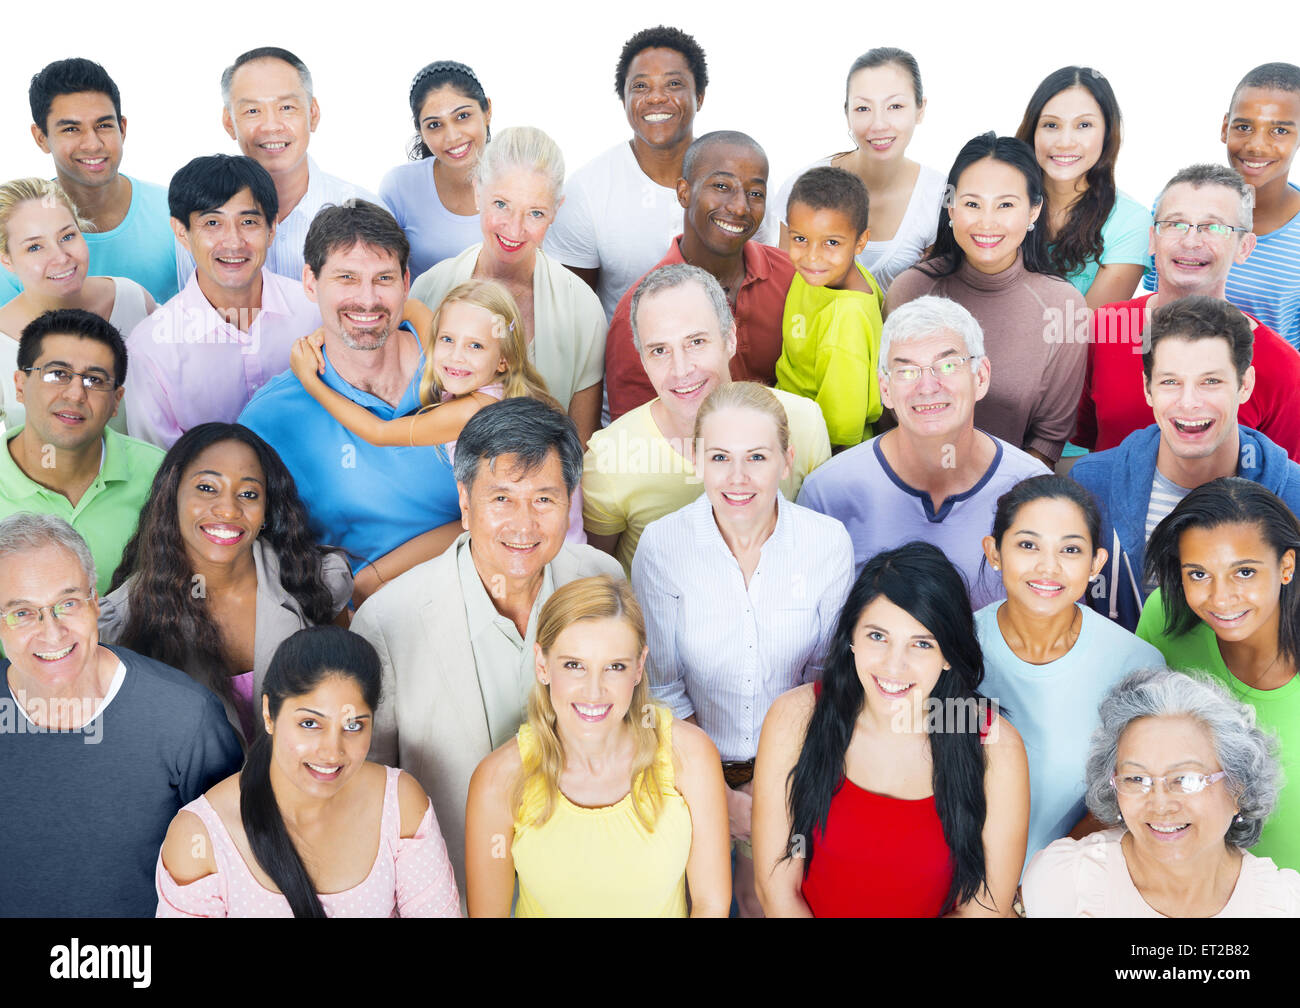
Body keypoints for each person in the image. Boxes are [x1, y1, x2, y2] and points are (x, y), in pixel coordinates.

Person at [354, 397, 623, 895]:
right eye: (501, 499)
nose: (523, 525)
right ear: (464, 501)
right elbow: (371, 793)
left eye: (544, 499)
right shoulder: (388, 623)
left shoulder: (602, 579)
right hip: (453, 888)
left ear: (571, 500)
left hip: (591, 885)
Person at [632, 382, 853, 915]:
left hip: (799, 771)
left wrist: (772, 790)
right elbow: (659, 687)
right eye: (719, 457)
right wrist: (718, 796)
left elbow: (827, 679)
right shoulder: (664, 547)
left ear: (787, 459)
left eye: (756, 457)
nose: (738, 477)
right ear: (695, 460)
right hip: (686, 770)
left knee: (774, 902)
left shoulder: (826, 543)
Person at [751, 542, 1029, 917]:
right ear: (851, 638)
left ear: (949, 654)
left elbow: (986, 909)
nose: (894, 666)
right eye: (877, 636)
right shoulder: (795, 717)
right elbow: (776, 890)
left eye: (921, 643)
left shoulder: (994, 745)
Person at [0, 514, 241, 917]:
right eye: (22, 612)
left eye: (67, 603)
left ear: (96, 602)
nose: (52, 632)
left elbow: (236, 866)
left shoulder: (185, 718)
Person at [291, 278, 584, 601]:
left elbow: (380, 433)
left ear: (503, 360)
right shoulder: (460, 365)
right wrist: (332, 335)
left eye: (476, 346)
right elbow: (413, 306)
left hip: (539, 541)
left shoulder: (477, 407)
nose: (456, 357)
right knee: (369, 585)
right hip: (493, 513)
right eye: (447, 339)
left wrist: (310, 379)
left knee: (365, 584)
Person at [465, 575, 731, 916]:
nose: (594, 691)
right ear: (543, 665)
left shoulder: (689, 755)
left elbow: (711, 904)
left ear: (638, 667)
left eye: (614, 667)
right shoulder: (498, 779)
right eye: (574, 665)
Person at [156, 625, 459, 917]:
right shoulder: (199, 838)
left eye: (353, 726)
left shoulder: (400, 804)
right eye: (310, 724)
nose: (332, 752)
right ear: (269, 713)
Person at [238, 199, 462, 576]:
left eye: (384, 278)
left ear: (407, 283)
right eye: (347, 278)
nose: (368, 299)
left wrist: (369, 582)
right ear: (310, 282)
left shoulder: (461, 370)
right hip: (367, 624)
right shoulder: (269, 419)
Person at [99, 423, 352, 745]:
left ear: (266, 510)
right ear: (171, 496)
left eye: (248, 494)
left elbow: (351, 701)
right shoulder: (119, 622)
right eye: (207, 488)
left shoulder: (318, 580)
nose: (229, 510)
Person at [798, 297, 1049, 609]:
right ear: (885, 389)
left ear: (980, 377)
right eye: (906, 371)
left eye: (947, 365)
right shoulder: (828, 492)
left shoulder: (1036, 489)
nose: (927, 386)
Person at [1070, 296, 1300, 631]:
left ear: (1244, 385)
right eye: (1170, 382)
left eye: (1211, 381)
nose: (1189, 403)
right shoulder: (1091, 484)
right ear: (1148, 389)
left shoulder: (1293, 496)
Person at [583, 265, 829, 575]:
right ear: (642, 360)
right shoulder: (609, 458)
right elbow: (596, 579)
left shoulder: (803, 422)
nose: (682, 369)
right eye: (659, 350)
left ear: (730, 339)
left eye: (696, 342)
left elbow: (819, 545)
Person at [976, 475, 1162, 863]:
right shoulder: (949, 647)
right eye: (1028, 545)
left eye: (1071, 550)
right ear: (994, 552)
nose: (1048, 567)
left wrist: (1043, 882)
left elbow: (1135, 794)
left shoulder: (1137, 666)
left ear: (1097, 563)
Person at [1022, 666, 1300, 916]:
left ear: (1238, 788)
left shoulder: (1281, 904)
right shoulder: (1066, 883)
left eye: (1186, 779)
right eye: (1136, 779)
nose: (1160, 804)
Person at [884, 133, 1088, 468]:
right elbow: (890, 412)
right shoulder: (912, 289)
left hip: (1012, 494)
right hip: (910, 477)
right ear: (951, 206)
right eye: (972, 204)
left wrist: (1000, 499)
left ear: (1034, 210)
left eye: (1006, 205)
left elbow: (1049, 437)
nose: (987, 222)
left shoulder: (1063, 305)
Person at [1078, 163, 1300, 460]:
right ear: (1152, 239)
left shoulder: (1283, 365)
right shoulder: (1103, 327)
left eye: (1214, 227)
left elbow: (1282, 488)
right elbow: (1092, 441)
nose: (1191, 241)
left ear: (1244, 247)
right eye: (1175, 224)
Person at [1138, 478, 1300, 870]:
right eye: (1198, 574)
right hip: (1184, 888)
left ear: (1286, 567)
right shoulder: (1165, 616)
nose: (1220, 598)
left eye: (1244, 572)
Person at [410, 127, 604, 444]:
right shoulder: (429, 289)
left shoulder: (582, 308)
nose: (514, 229)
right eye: (501, 204)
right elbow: (407, 416)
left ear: (556, 210)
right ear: (477, 192)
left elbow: (580, 445)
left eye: (536, 213)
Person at [127, 155, 320, 449]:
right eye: (213, 223)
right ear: (182, 232)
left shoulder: (316, 312)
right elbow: (159, 469)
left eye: (248, 222)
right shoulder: (151, 348)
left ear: (272, 229)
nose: (233, 242)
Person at [605, 131, 796, 421]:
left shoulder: (794, 277)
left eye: (755, 193)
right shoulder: (639, 310)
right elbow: (637, 431)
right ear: (684, 193)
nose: (740, 207)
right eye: (721, 186)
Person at [545, 26, 729, 322]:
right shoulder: (587, 189)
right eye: (641, 86)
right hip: (626, 364)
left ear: (700, 96)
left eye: (673, 84)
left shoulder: (738, 179)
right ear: (624, 100)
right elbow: (571, 314)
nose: (656, 97)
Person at [179, 47, 377, 289]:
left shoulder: (365, 209)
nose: (271, 126)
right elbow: (192, 316)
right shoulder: (198, 220)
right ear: (229, 122)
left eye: (286, 108)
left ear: (313, 114)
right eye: (252, 111)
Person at [0, 309, 162, 595]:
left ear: (116, 401)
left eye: (95, 380)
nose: (75, 394)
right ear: (20, 385)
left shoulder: (160, 474)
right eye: (57, 374)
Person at [0, 58, 177, 304]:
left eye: (103, 125)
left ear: (122, 129)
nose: (93, 144)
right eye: (71, 129)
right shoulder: (15, 233)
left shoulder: (175, 212)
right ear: (41, 138)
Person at [772, 47, 946, 293]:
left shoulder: (941, 196)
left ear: (920, 109)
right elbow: (785, 290)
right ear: (847, 114)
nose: (878, 124)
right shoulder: (802, 187)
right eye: (863, 108)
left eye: (895, 106)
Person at [0, 178, 153, 433]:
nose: (61, 257)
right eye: (35, 247)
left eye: (68, 236)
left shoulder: (131, 300)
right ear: (7, 260)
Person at [1014, 66, 1148, 309]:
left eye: (1084, 125)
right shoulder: (1001, 200)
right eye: (1051, 125)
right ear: (1033, 131)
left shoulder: (1131, 221)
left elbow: (1084, 329)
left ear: (1107, 132)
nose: (1065, 142)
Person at [774, 166, 883, 448]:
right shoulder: (821, 273)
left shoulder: (847, 321)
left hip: (813, 449)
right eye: (800, 239)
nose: (812, 257)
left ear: (861, 242)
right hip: (783, 421)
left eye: (831, 243)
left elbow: (839, 434)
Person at [380, 61, 490, 278]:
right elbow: (381, 274)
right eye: (434, 125)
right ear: (420, 131)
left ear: (487, 111)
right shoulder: (400, 187)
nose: (452, 137)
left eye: (462, 116)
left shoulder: (521, 178)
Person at [1218, 63, 1300, 349]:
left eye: (1279, 130)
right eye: (1243, 127)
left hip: (1278, 388)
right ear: (1225, 128)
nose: (1256, 145)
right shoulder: (1178, 210)